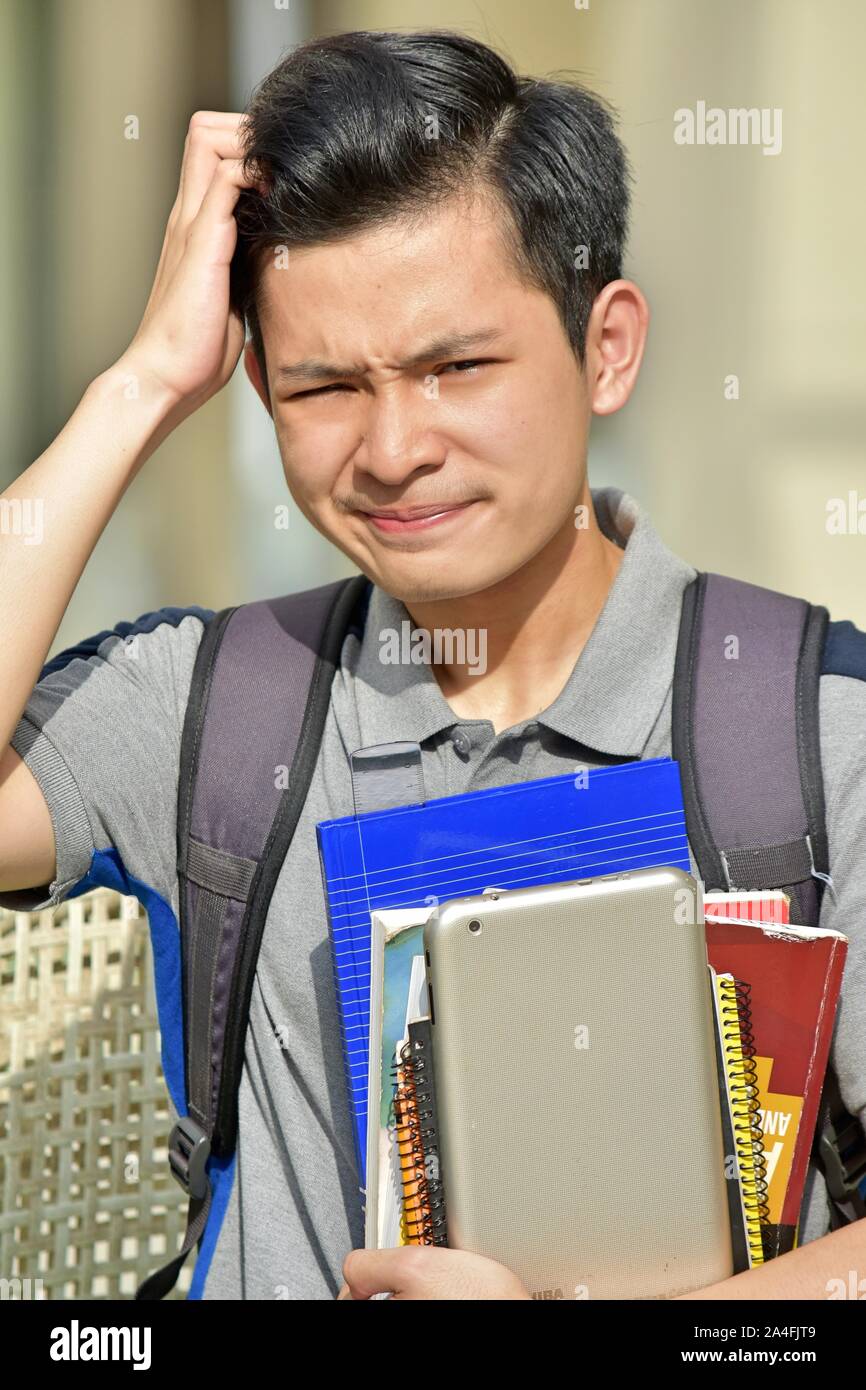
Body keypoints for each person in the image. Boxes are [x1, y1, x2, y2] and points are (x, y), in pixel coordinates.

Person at [0, 29, 863, 1301]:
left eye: (456, 367)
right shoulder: (217, 708)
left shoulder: (810, 730)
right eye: (323, 387)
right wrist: (138, 386)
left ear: (605, 346)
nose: (394, 447)